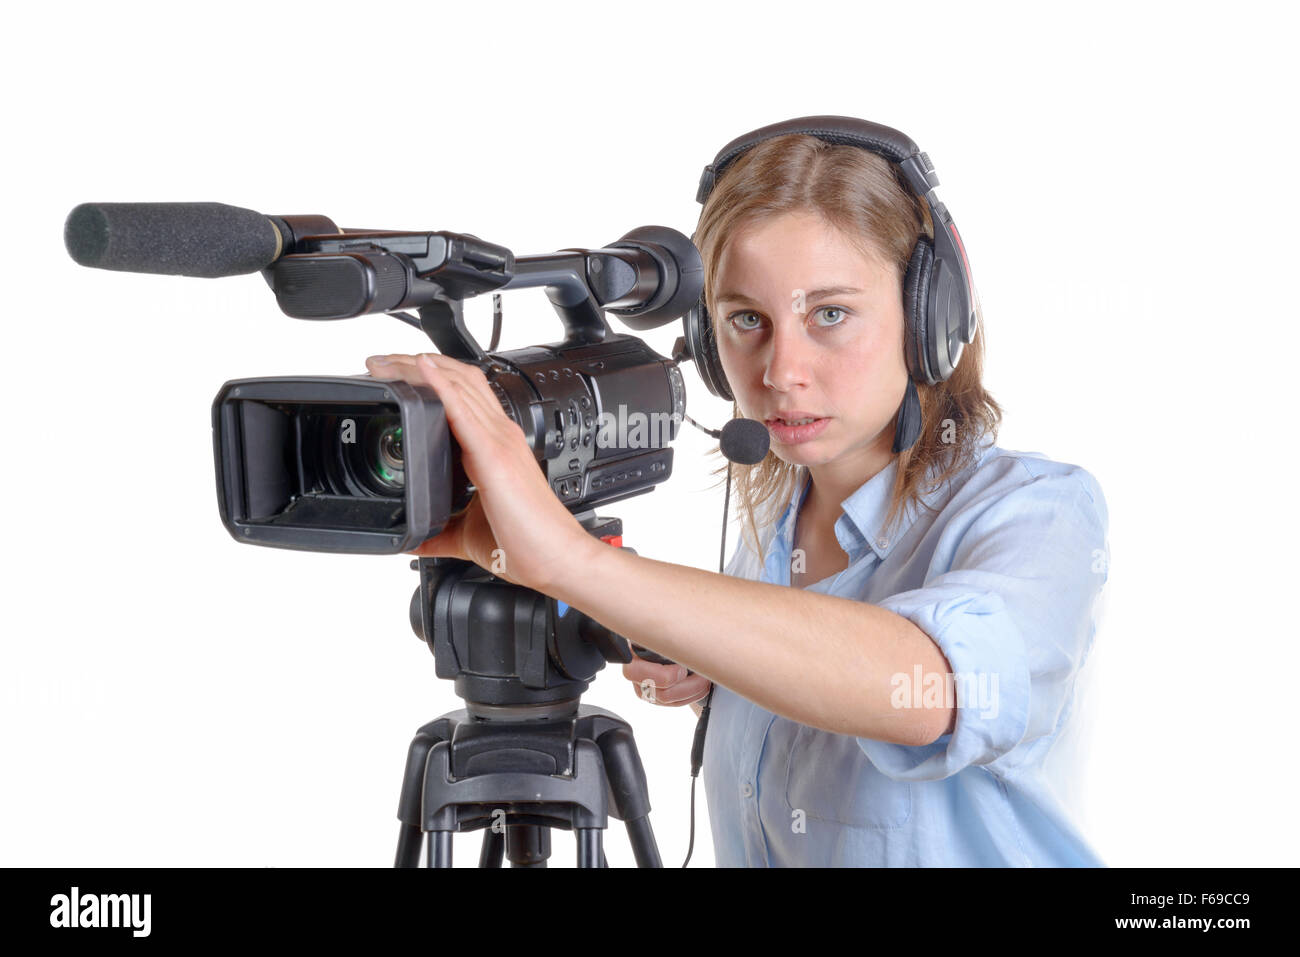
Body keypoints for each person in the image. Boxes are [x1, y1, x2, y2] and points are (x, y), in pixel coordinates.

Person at [362, 119, 1109, 867]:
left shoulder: (1042, 514)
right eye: (746, 319)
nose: (781, 370)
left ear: (930, 318)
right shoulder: (772, 536)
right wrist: (706, 648)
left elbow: (928, 690)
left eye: (830, 314)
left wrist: (574, 564)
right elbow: (818, 661)